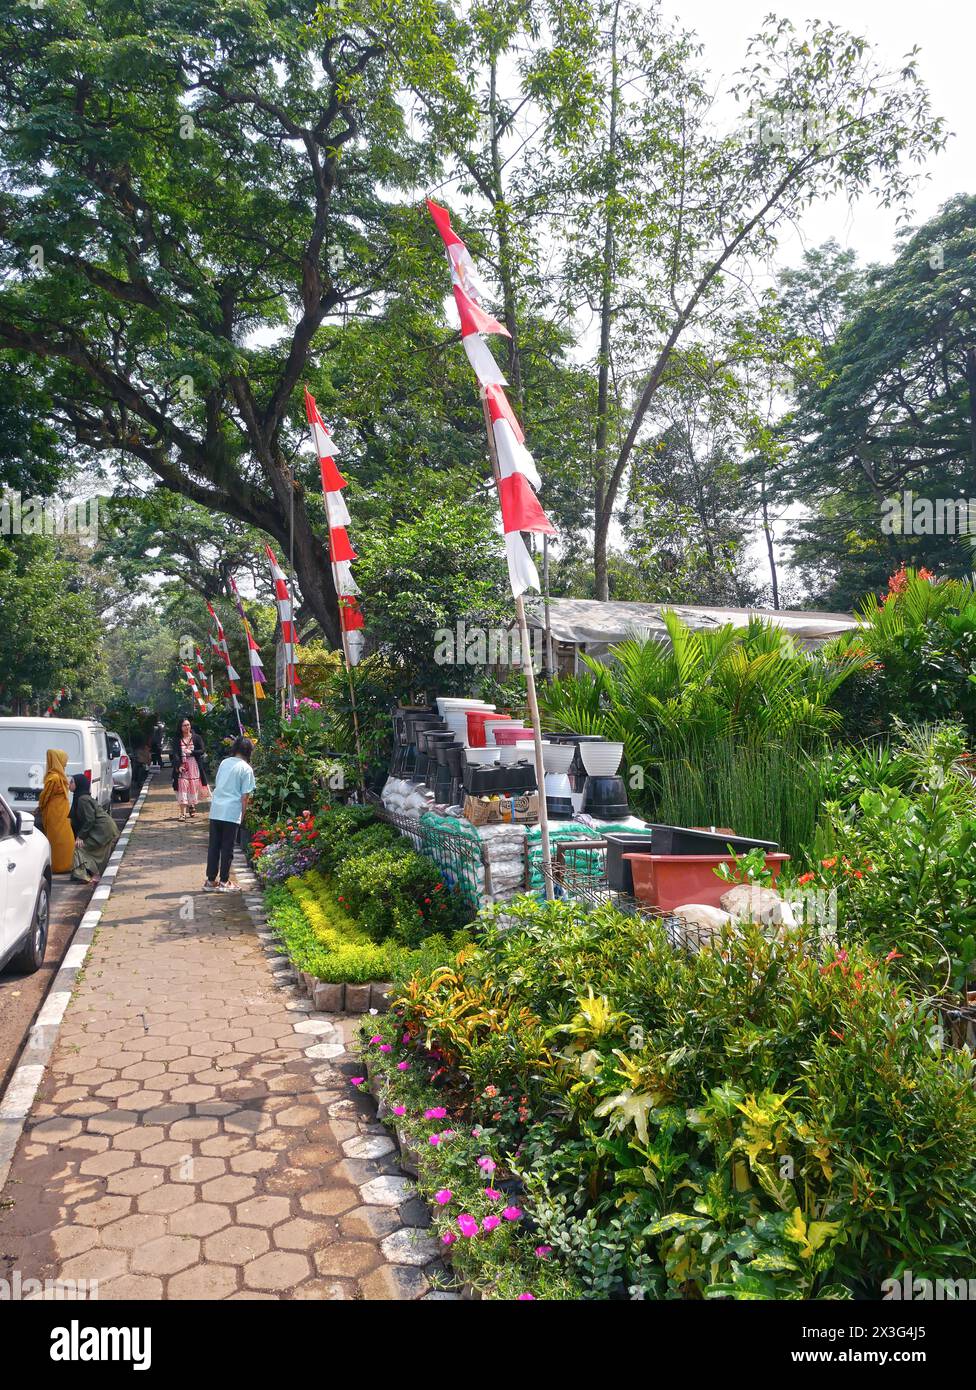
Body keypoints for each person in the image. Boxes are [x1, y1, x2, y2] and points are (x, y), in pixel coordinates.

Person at [204, 737, 255, 892]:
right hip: (231, 812)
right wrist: (243, 815)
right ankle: (224, 881)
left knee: (214, 846)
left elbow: (218, 784)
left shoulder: (224, 763)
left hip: (216, 810)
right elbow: (245, 796)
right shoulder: (246, 769)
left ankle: (210, 881)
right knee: (227, 848)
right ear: (248, 751)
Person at [70, 773, 119, 883]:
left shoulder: (82, 799)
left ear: (78, 784)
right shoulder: (80, 797)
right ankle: (87, 872)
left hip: (103, 829)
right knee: (95, 851)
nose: (69, 784)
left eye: (72, 782)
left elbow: (90, 819)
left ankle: (82, 876)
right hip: (104, 829)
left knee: (80, 847)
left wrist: (81, 836)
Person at [38, 748, 74, 874]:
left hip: (55, 812)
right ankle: (65, 864)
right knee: (63, 837)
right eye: (64, 761)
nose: (65, 763)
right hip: (62, 811)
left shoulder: (53, 777)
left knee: (56, 838)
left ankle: (58, 865)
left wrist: (40, 806)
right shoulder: (59, 776)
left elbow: (45, 796)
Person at [171, 718, 210, 821]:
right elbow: (175, 754)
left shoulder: (197, 738)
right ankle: (182, 813)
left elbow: (202, 750)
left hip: (194, 766)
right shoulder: (177, 739)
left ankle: (192, 805)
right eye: (184, 725)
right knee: (182, 787)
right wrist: (178, 765)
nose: (187, 727)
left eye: (188, 725)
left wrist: (192, 752)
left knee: (193, 786)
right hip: (182, 767)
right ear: (180, 727)